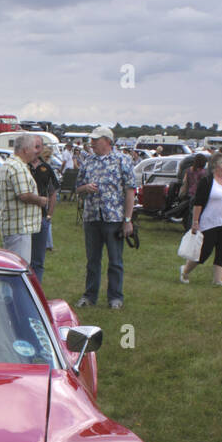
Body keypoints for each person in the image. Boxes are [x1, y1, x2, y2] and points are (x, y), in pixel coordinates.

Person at [75, 125, 136, 309]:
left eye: (96, 140)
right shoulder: (87, 161)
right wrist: (85, 189)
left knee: (115, 261)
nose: (92, 144)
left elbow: (130, 191)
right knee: (92, 260)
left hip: (114, 218)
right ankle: (89, 296)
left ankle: (115, 298)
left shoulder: (122, 160)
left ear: (107, 142)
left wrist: (127, 219)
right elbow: (77, 188)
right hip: (92, 217)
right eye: (91, 140)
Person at [180, 151, 222, 287]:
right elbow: (198, 203)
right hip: (208, 222)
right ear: (218, 165)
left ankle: (217, 279)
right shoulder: (207, 181)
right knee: (204, 252)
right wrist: (195, 222)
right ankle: (185, 270)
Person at [0, 133, 48, 264]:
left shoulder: (10, 164)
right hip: (19, 228)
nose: (36, 152)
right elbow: (24, 195)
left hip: (13, 226)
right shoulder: (17, 167)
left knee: (12, 265)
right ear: (25, 150)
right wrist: (40, 200)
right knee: (19, 267)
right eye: (34, 148)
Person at [29, 145, 60, 282]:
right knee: (23, 257)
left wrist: (49, 215)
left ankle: (37, 289)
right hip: (24, 216)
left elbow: (53, 192)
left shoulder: (46, 168)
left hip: (41, 216)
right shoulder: (23, 166)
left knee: (38, 260)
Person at [177, 153, 207, 229]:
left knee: (190, 213)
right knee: (197, 214)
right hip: (197, 194)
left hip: (189, 192)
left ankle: (188, 227)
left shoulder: (189, 170)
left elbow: (185, 181)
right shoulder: (203, 172)